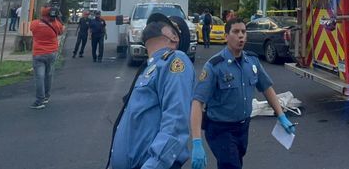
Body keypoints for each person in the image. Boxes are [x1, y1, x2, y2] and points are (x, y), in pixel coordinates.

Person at [191, 18, 296, 169]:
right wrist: (196, 142)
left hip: (242, 128)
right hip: (220, 129)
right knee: (231, 165)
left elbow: (267, 88)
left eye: (243, 32)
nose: (240, 36)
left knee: (236, 163)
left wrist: (281, 116)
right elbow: (197, 101)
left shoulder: (252, 61)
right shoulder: (214, 65)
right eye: (235, 32)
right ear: (226, 36)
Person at [109, 13, 194, 169]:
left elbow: (175, 123)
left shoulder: (175, 60)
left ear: (174, 37)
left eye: (163, 23)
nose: (154, 23)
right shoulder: (149, 68)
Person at [29, 6, 64, 109]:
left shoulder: (35, 23)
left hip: (39, 53)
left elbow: (32, 30)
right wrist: (58, 18)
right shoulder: (56, 24)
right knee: (49, 75)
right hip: (52, 53)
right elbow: (61, 31)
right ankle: (46, 97)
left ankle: (40, 100)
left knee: (39, 77)